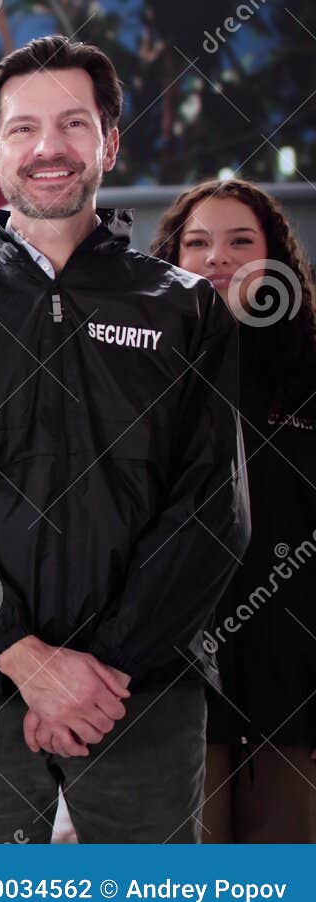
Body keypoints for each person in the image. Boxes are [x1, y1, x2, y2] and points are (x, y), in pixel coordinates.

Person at [0, 35, 249, 843]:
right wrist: (21, 657)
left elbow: (211, 504)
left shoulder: (184, 309)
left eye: (74, 125)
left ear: (110, 142)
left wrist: (105, 666)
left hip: (141, 691)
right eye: (24, 130)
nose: (49, 148)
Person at [152, 178, 316, 843]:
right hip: (177, 696)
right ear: (172, 261)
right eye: (198, 244)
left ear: (276, 258)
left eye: (240, 241)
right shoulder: (141, 381)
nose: (218, 258)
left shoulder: (308, 381)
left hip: (297, 699)